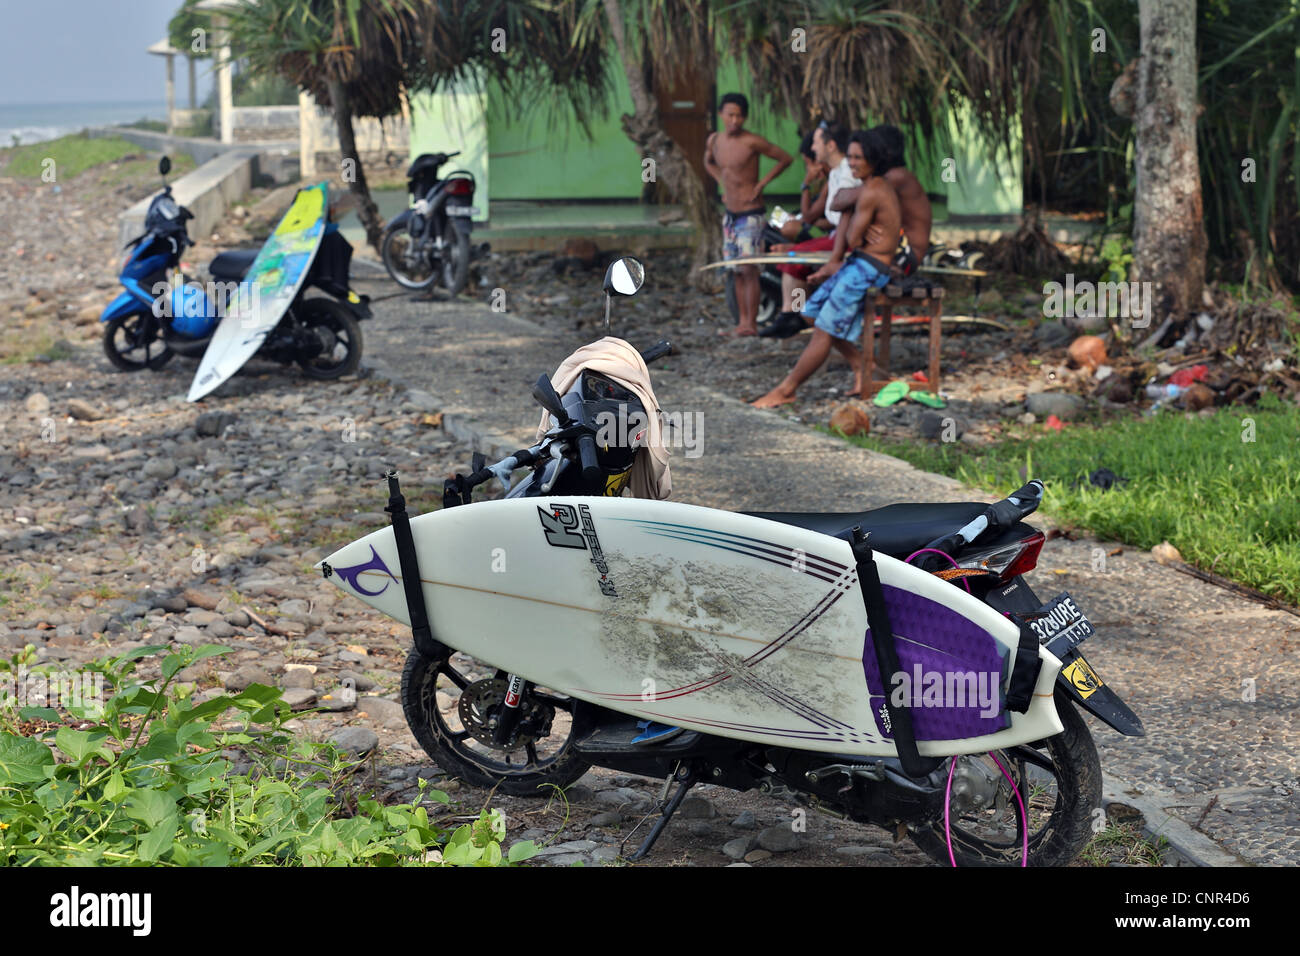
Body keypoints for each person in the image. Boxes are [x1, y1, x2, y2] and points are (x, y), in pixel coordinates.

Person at [750, 128, 901, 408]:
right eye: (851, 157)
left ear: (874, 160)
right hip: (858, 262)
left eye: (858, 158)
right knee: (809, 313)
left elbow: (854, 238)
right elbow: (842, 208)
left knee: (823, 330)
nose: (852, 163)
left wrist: (856, 223)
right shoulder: (865, 188)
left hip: (870, 267)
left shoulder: (872, 191)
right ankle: (863, 366)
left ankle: (787, 389)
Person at [760, 120, 861, 338]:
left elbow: (847, 220)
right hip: (836, 236)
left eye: (816, 143)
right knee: (792, 258)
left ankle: (793, 315)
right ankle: (792, 313)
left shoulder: (847, 175)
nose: (813, 148)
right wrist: (807, 184)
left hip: (846, 239)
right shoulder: (835, 173)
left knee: (795, 258)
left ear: (831, 146)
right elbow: (810, 215)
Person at [704, 92, 793, 337]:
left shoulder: (752, 141)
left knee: (749, 269)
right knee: (735, 270)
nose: (734, 120)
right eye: (730, 115)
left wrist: (762, 183)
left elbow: (785, 158)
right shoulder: (715, 140)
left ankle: (750, 324)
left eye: (739, 116)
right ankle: (742, 322)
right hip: (730, 215)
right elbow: (708, 162)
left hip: (750, 214)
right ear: (721, 114)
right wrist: (721, 182)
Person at [826, 124, 931, 277]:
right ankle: (835, 262)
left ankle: (835, 262)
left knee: (849, 208)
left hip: (907, 259)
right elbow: (837, 203)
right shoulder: (883, 179)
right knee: (850, 209)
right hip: (894, 247)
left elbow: (839, 201)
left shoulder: (895, 177)